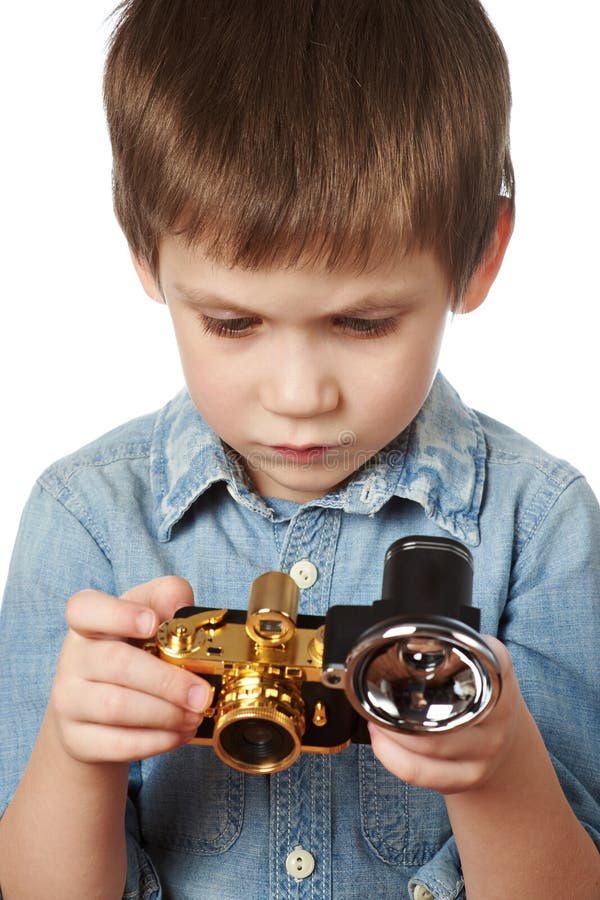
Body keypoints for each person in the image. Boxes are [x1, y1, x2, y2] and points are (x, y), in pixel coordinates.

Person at [0, 1, 599, 897]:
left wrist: (498, 762)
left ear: (479, 257)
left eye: (363, 323)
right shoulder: (85, 518)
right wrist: (75, 753)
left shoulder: (539, 524)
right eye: (232, 323)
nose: (298, 395)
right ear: (145, 254)